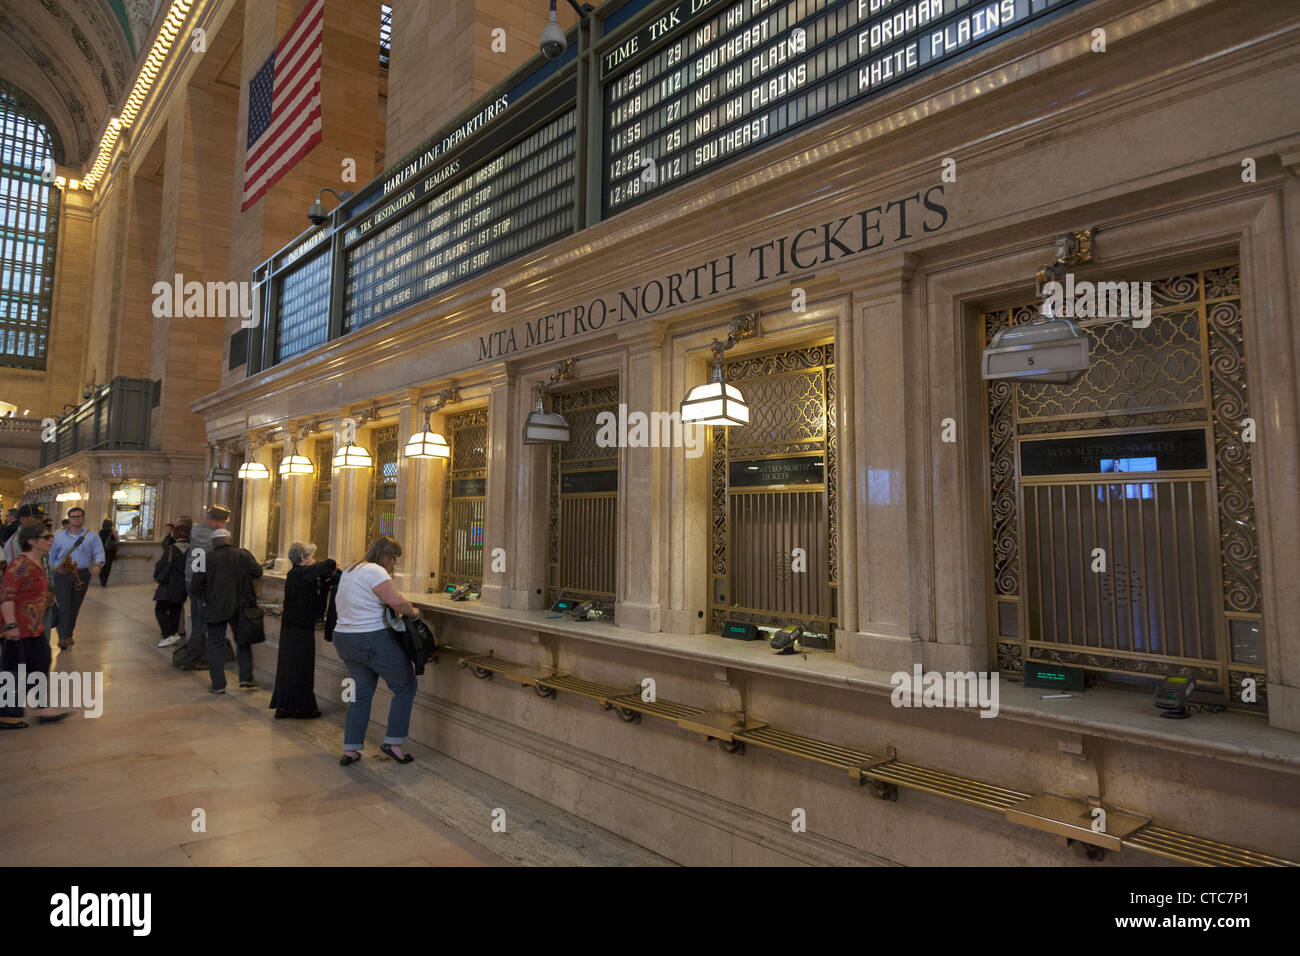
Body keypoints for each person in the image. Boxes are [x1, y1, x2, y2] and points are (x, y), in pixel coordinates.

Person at [332, 536, 421, 766]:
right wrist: (413, 612)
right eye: (394, 558)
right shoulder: (375, 571)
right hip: (370, 638)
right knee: (405, 686)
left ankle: (351, 749)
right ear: (385, 556)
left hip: (344, 638)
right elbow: (396, 602)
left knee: (360, 693)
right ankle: (394, 744)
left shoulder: (353, 568)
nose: (395, 564)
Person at [0, 525, 70, 729]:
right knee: (14, 671)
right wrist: (12, 625)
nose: (50, 540)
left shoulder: (38, 561)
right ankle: (6, 716)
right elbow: (7, 596)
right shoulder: (20, 564)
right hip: (18, 629)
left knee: (40, 663)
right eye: (46, 537)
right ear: (31, 541)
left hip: (33, 628)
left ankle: (43, 709)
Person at [191, 527, 262, 694]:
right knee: (243, 641)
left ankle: (218, 684)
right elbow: (258, 572)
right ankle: (245, 677)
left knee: (215, 645)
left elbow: (195, 585)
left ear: (213, 542)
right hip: (241, 606)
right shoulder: (243, 555)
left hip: (215, 607)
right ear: (229, 540)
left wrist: (206, 597)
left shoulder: (205, 558)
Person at [270, 542, 337, 719]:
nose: (315, 561)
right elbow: (329, 563)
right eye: (312, 557)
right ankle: (300, 708)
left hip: (294, 626)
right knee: (300, 668)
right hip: (298, 628)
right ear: (302, 558)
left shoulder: (299, 574)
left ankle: (287, 707)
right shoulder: (299, 573)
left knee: (293, 667)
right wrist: (330, 567)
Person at [180, 505, 230, 669]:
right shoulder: (213, 538)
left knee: (197, 620)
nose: (224, 527)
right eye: (223, 523)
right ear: (216, 523)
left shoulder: (196, 530)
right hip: (200, 584)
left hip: (191, 580)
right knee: (201, 622)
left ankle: (196, 654)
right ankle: (191, 658)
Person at [49, 507, 105, 649]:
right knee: (64, 606)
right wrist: (56, 567)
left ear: (83, 518)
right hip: (62, 574)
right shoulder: (59, 536)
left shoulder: (91, 535)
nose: (76, 519)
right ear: (69, 519)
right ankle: (62, 637)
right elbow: (51, 556)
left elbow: (99, 552)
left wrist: (98, 565)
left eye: (79, 516)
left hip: (81, 575)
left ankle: (68, 634)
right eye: (73, 517)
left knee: (74, 607)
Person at [152, 524, 188, 647]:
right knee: (175, 611)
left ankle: (169, 635)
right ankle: (174, 634)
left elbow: (161, 564)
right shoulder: (193, 550)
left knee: (160, 610)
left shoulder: (171, 549)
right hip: (183, 586)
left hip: (169, 584)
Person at [97, 519, 119, 587]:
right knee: (108, 567)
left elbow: (97, 542)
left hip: (101, 551)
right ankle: (105, 581)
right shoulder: (113, 532)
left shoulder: (100, 532)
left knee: (102, 567)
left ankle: (102, 580)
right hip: (110, 552)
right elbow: (117, 542)